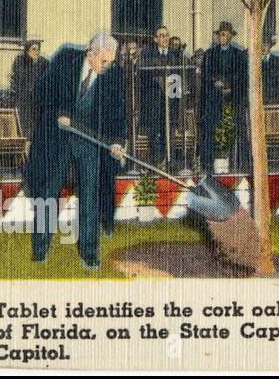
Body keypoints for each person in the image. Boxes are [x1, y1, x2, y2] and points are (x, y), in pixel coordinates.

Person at [22, 33, 127, 269]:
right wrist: (59, 112)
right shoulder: (66, 58)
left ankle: (89, 254)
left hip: (88, 143)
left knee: (90, 197)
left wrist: (118, 142)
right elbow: (41, 91)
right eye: (104, 61)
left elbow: (118, 113)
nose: (107, 66)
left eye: (111, 62)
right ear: (90, 54)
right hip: (58, 139)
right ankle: (40, 251)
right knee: (49, 193)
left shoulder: (113, 74)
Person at [198, 21, 248, 173]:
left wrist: (228, 84)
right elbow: (205, 75)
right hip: (214, 97)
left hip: (234, 97)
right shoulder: (209, 54)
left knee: (238, 127)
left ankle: (240, 162)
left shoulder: (239, 55)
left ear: (231, 36)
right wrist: (215, 82)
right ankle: (207, 163)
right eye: (220, 34)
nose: (222, 37)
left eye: (225, 34)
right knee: (210, 127)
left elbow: (242, 76)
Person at [138, 27, 182, 166]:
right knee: (156, 132)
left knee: (170, 131)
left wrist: (176, 101)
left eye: (166, 35)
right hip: (154, 100)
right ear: (156, 39)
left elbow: (179, 76)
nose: (165, 39)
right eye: (161, 36)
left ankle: (171, 163)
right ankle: (157, 162)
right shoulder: (148, 53)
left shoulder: (176, 54)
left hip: (171, 100)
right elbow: (144, 75)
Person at [9, 40, 48, 141]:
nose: (36, 52)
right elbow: (15, 78)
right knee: (23, 125)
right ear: (27, 50)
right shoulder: (20, 61)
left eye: (38, 50)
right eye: (33, 49)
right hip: (23, 99)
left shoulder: (43, 62)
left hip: (37, 100)